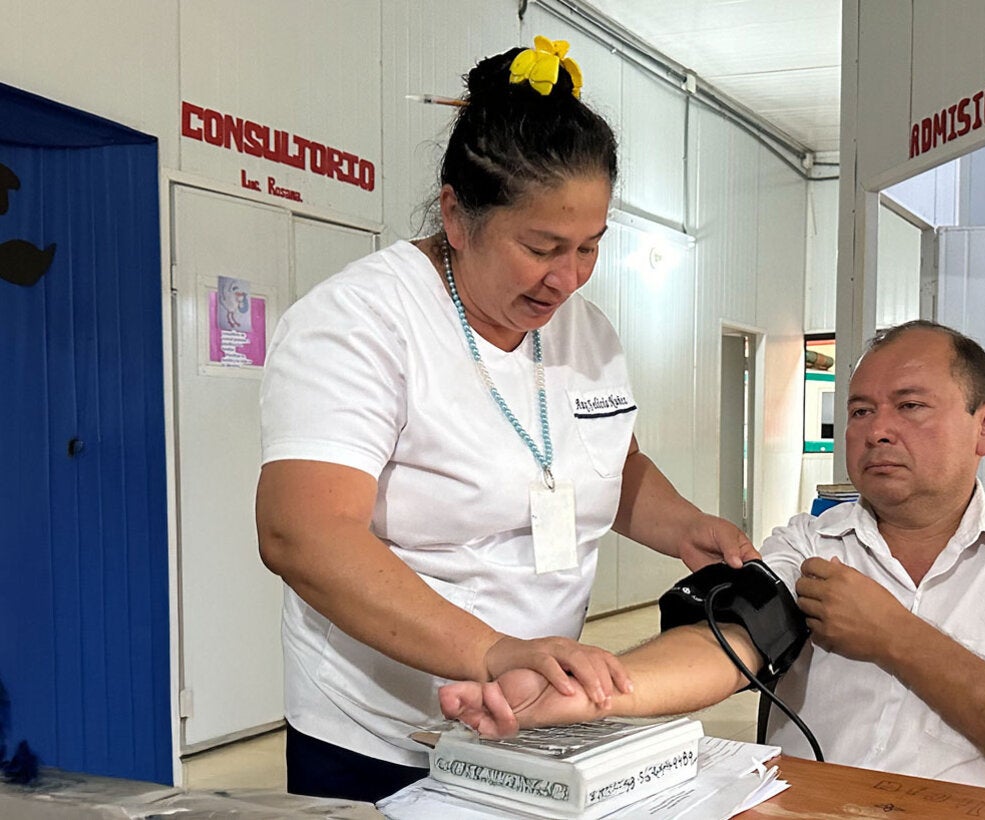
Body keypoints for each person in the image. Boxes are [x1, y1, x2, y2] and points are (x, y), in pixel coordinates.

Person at [254, 36, 758, 804]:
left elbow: (606, 459)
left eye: (590, 247)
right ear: (457, 215)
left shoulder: (583, 330)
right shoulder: (360, 323)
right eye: (542, 246)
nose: (568, 277)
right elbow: (303, 534)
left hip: (526, 721)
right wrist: (487, 650)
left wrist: (683, 526)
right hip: (382, 734)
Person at [440, 320, 985, 806]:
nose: (878, 432)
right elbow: (727, 643)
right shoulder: (810, 547)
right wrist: (584, 694)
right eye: (861, 411)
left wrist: (897, 639)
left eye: (909, 407)